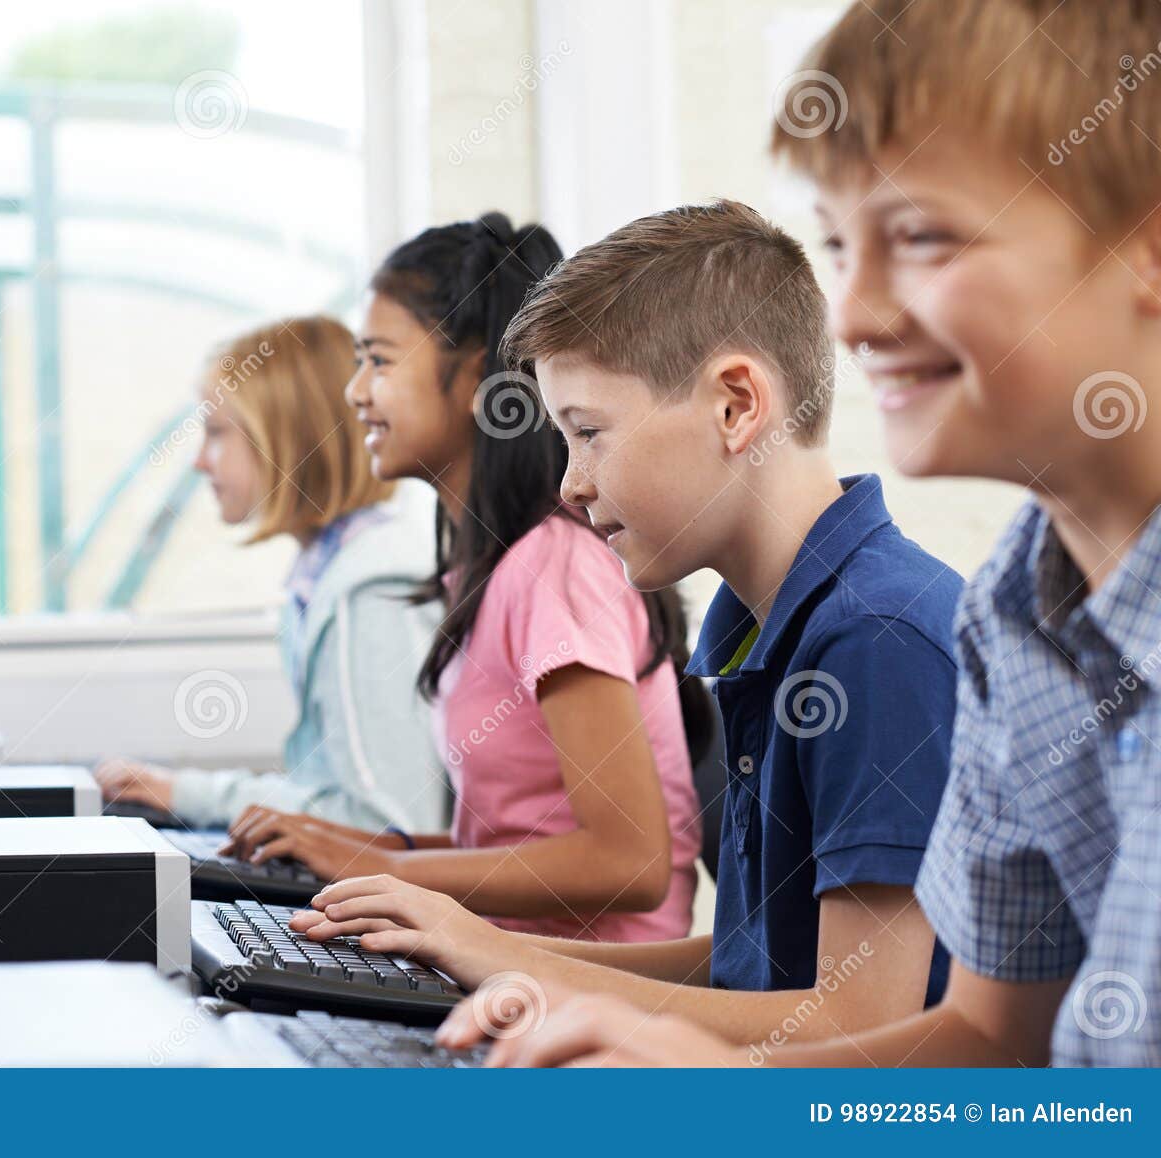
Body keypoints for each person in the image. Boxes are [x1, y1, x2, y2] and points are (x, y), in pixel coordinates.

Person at [483, 0, 1161, 1068]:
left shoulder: (886, 632)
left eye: (922, 238)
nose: (851, 315)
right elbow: (986, 1046)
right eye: (842, 246)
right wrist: (689, 1073)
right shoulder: (1011, 616)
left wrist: (704, 1078)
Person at [306, 200, 963, 1047]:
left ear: (736, 407)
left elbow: (861, 1027)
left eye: (589, 433)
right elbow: (750, 968)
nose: (571, 483)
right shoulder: (767, 625)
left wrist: (511, 963)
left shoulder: (874, 637)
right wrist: (487, 952)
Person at [225, 213, 708, 943]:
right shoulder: (490, 568)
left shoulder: (554, 566)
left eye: (379, 361)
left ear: (478, 375)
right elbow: (513, 844)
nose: (355, 392)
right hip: (508, 957)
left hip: (583, 983)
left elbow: (630, 861)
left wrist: (383, 866)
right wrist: (364, 848)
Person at [96, 316, 447, 833]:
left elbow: (386, 824)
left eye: (217, 433)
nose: (199, 461)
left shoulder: (369, 592)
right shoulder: (329, 571)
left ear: (288, 439)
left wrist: (192, 794)